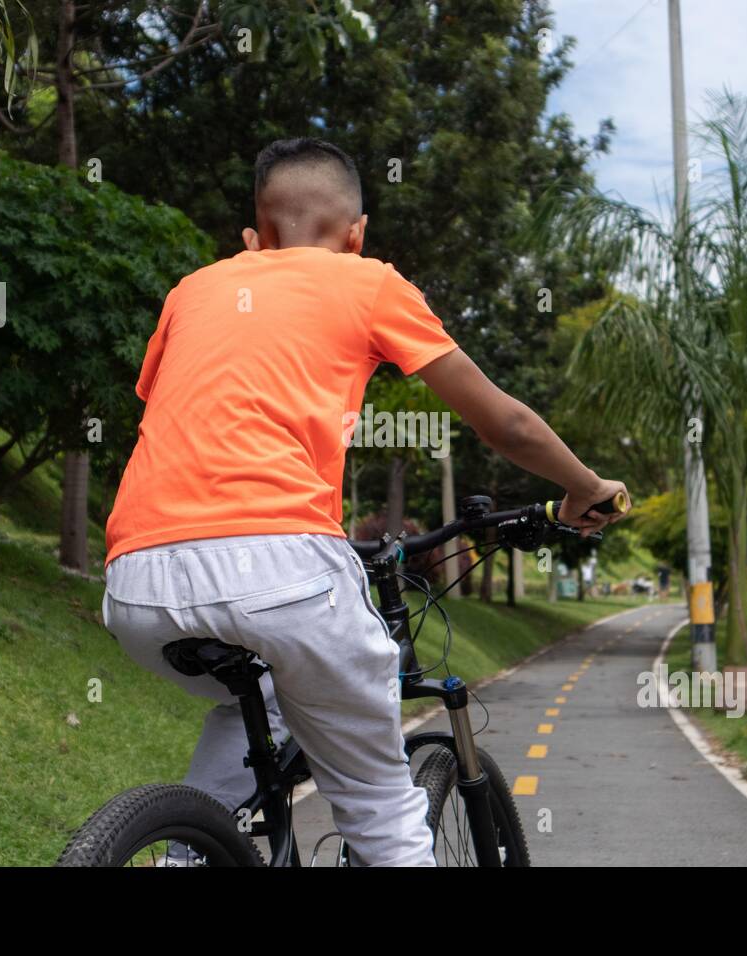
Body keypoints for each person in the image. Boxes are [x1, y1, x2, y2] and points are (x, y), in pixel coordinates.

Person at [101, 137, 630, 867]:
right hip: (282, 567)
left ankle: (189, 855)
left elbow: (183, 418)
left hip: (136, 583)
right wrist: (584, 487)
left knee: (260, 694)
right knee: (382, 808)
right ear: (357, 233)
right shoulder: (366, 280)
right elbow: (501, 421)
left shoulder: (193, 289)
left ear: (252, 234)